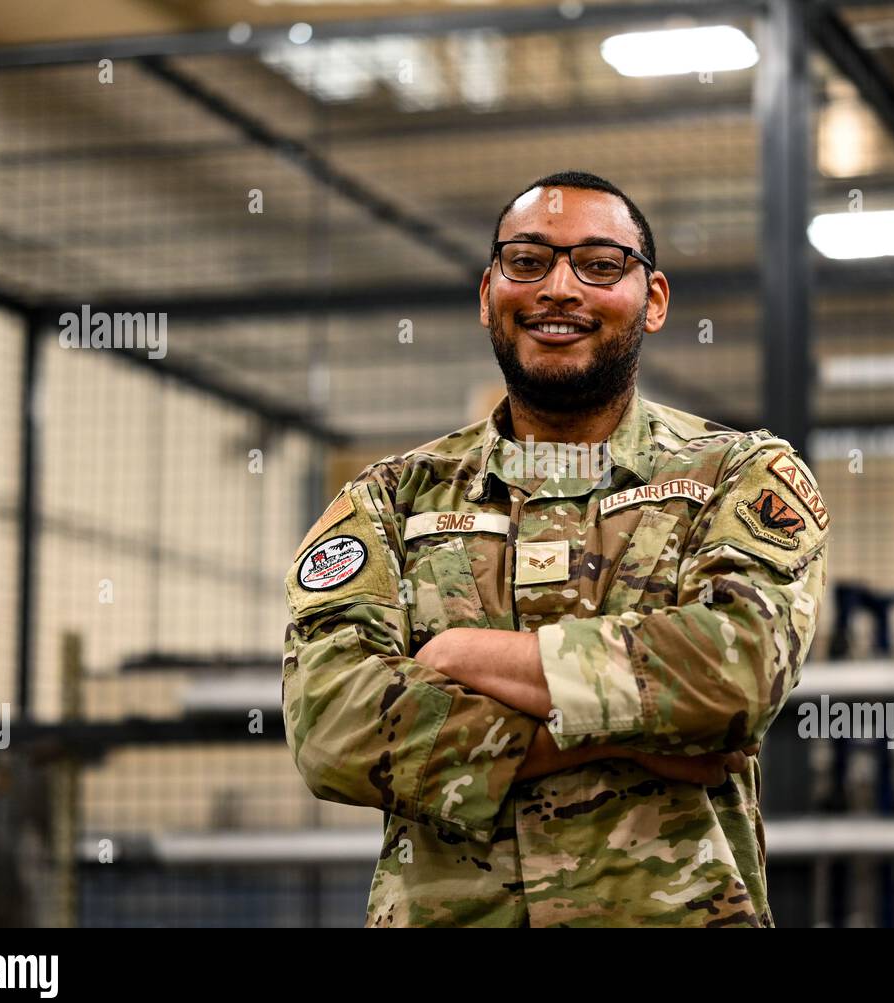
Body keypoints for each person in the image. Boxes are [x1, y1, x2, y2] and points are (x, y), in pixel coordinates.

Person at [282, 170, 829, 927]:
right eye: (529, 261)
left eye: (600, 265)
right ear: (488, 295)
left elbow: (734, 672)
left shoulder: (737, 475)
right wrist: (634, 741)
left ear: (655, 299)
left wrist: (460, 657)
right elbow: (332, 727)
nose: (559, 288)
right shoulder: (390, 500)